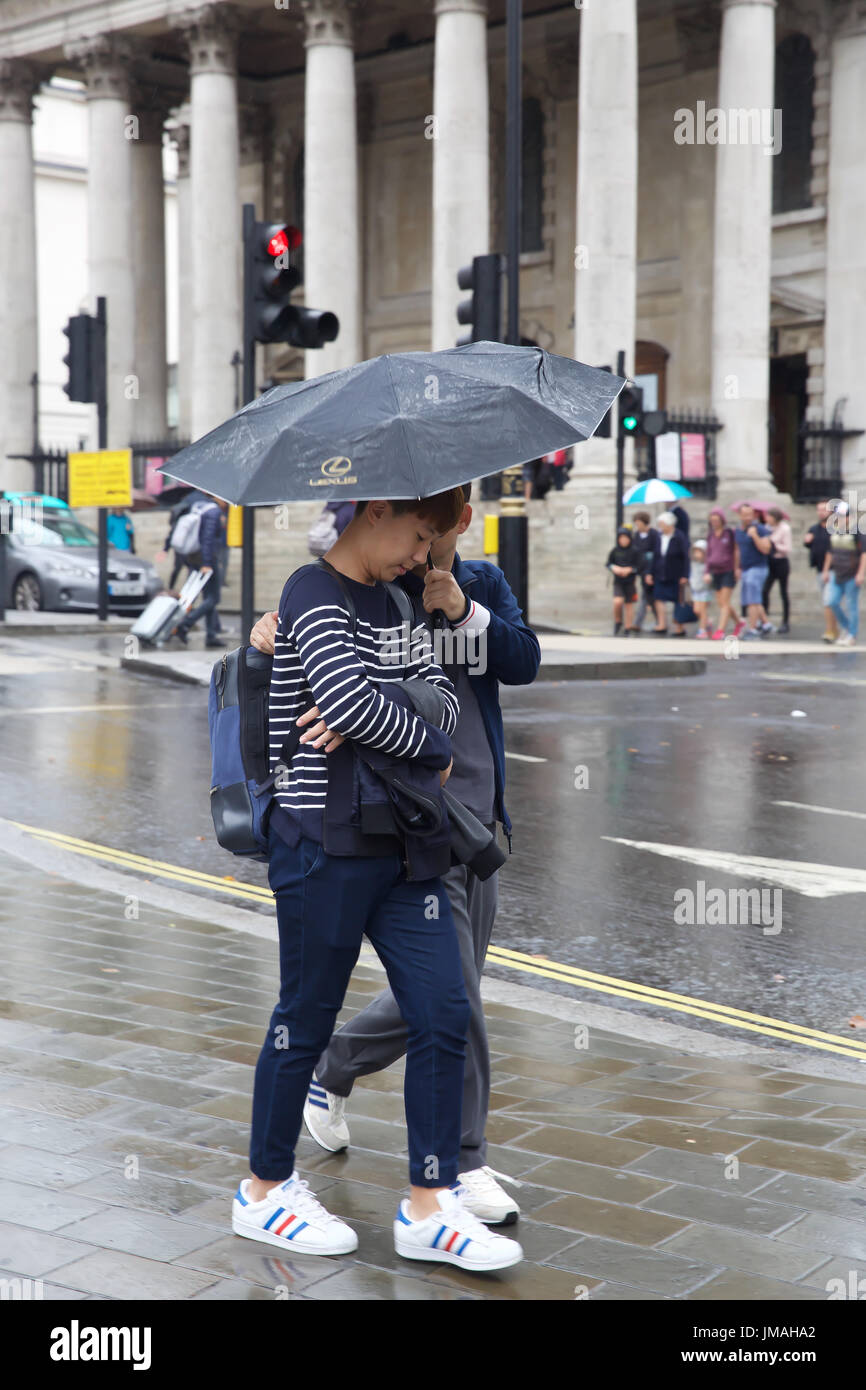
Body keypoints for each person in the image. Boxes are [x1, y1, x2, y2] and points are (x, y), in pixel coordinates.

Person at [234, 486, 523, 1272]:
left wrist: (393, 714)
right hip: (322, 841)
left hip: (406, 841)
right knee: (307, 1015)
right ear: (377, 513)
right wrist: (424, 748)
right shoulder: (310, 590)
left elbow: (435, 699)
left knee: (444, 1009)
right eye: (419, 535)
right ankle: (264, 1190)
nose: (422, 555)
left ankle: (430, 1204)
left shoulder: (397, 605)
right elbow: (356, 706)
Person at [172, 495, 228, 649]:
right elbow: (207, 538)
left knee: (208, 597)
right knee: (214, 598)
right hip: (206, 560)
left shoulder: (199, 505)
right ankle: (185, 624)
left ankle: (211, 635)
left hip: (194, 557)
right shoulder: (214, 512)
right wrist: (207, 563)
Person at [822, 504, 866, 647]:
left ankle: (852, 634)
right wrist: (826, 570)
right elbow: (830, 552)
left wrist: (861, 573)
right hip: (837, 572)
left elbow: (864, 554)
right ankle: (847, 627)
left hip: (852, 574)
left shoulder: (858, 532)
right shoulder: (834, 530)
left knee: (851, 605)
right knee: (831, 602)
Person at [733, 503, 773, 638]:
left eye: (750, 514)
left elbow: (766, 549)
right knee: (752, 599)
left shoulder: (760, 529)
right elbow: (737, 550)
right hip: (745, 568)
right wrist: (737, 567)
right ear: (740, 515)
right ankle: (766, 624)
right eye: (744, 515)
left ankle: (753, 628)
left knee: (752, 601)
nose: (747, 517)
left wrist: (755, 536)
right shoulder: (738, 531)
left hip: (758, 567)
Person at [705, 507, 744, 640]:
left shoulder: (729, 533)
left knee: (725, 601)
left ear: (722, 520)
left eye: (717, 520)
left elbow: (736, 551)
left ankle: (720, 630)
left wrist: (738, 568)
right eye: (712, 520)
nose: (715, 522)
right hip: (715, 571)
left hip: (728, 570)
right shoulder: (710, 535)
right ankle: (739, 623)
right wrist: (706, 571)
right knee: (722, 602)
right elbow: (708, 554)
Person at [648, 511, 689, 634]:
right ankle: (662, 624)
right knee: (658, 598)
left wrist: (685, 575)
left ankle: (679, 626)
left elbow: (686, 557)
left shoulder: (679, 537)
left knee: (678, 600)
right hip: (660, 572)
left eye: (662, 523)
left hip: (675, 573)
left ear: (669, 524)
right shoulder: (659, 537)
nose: (660, 526)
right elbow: (655, 556)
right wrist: (650, 572)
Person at [803, 499, 837, 643]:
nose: (821, 512)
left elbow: (833, 550)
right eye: (819, 509)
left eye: (824, 509)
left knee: (828, 600)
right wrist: (807, 542)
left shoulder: (835, 528)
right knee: (829, 601)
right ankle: (834, 630)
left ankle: (831, 631)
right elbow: (810, 546)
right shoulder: (814, 529)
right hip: (819, 569)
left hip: (834, 570)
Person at [606, 526, 642, 635]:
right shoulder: (615, 550)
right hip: (618, 581)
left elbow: (639, 566)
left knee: (629, 605)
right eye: (621, 538)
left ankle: (628, 627)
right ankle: (618, 622)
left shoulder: (634, 551)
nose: (623, 540)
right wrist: (614, 568)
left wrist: (630, 569)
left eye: (625, 538)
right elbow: (608, 563)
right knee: (618, 602)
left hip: (630, 582)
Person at [763, 506, 792, 633]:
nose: (767, 519)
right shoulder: (766, 528)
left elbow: (787, 548)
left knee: (783, 592)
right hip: (770, 562)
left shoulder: (785, 528)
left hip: (781, 562)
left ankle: (785, 621)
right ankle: (764, 620)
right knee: (764, 590)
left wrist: (775, 544)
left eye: (769, 516)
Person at [629, 510, 657, 633]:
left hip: (652, 569)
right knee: (647, 596)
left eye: (639, 523)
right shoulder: (636, 536)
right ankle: (657, 621)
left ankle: (639, 622)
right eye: (636, 523)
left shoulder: (654, 534)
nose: (637, 526)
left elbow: (656, 552)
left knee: (649, 596)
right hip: (641, 569)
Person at [689, 538, 711, 638]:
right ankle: (707, 622)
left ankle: (702, 630)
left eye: (699, 551)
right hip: (696, 589)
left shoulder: (707, 564)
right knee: (696, 610)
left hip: (705, 589)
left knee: (702, 610)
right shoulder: (694, 563)